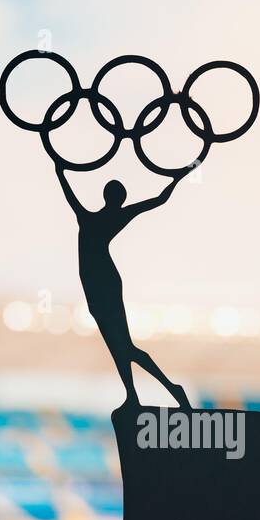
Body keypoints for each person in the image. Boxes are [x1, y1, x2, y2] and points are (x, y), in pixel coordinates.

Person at [56, 165, 191, 408]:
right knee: (119, 347)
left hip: (101, 285)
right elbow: (158, 200)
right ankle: (134, 395)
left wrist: (60, 171)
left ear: (106, 196)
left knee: (123, 346)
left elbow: (68, 194)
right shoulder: (113, 216)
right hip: (100, 284)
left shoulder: (88, 217)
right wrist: (177, 178)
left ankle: (164, 390)